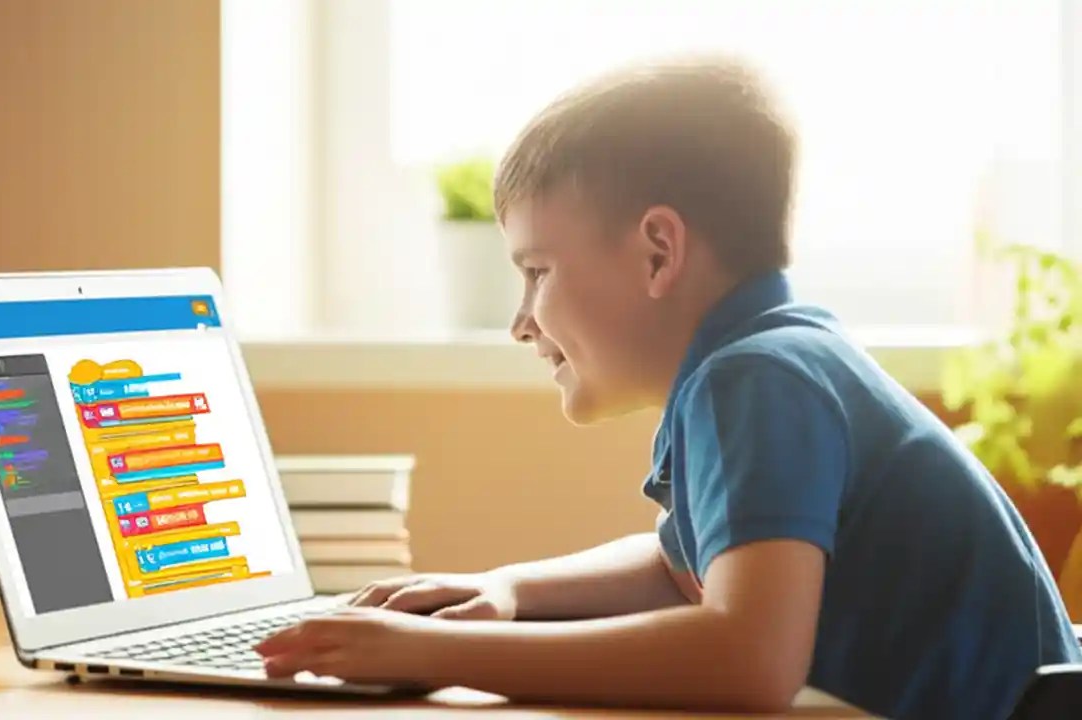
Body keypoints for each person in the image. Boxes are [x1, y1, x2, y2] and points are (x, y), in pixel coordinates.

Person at [254, 57, 1082, 719]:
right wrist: (507, 591)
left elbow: (748, 658)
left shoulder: (755, 378)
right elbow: (686, 564)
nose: (520, 322)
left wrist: (436, 656)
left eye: (537, 271)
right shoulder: (776, 359)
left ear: (658, 251)